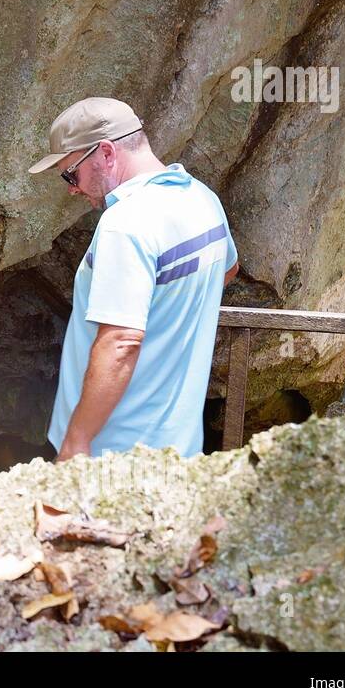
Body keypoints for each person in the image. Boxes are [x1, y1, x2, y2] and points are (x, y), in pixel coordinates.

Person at [28, 96, 239, 459]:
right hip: (179, 447)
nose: (71, 189)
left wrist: (77, 440)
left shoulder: (125, 225)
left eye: (70, 173)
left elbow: (122, 342)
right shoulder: (202, 199)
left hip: (113, 452)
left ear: (106, 153)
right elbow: (228, 270)